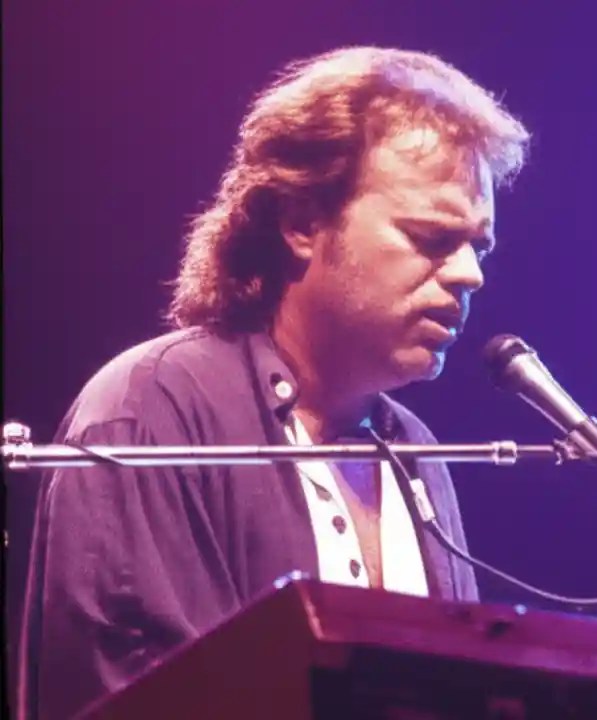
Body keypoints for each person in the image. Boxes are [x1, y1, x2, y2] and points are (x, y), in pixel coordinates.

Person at [16, 46, 530, 720]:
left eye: (478, 246)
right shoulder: (150, 409)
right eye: (432, 237)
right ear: (301, 224)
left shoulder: (417, 452)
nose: (470, 274)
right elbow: (126, 697)